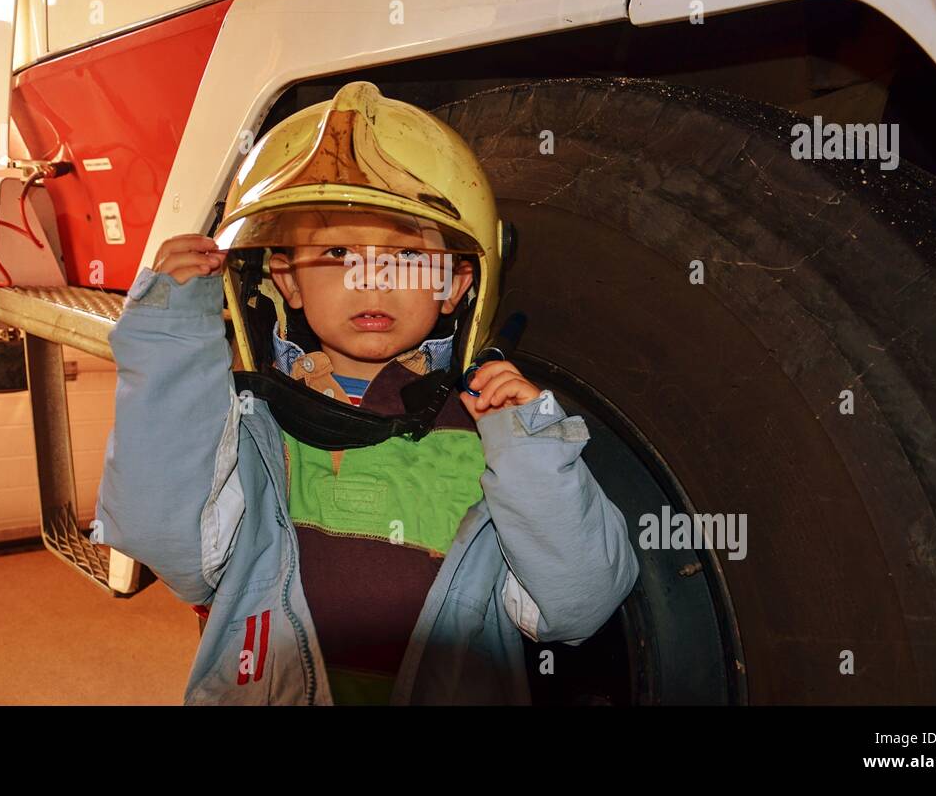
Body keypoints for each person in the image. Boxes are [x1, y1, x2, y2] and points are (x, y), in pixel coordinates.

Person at [94, 80, 639, 705]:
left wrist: (533, 453)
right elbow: (169, 544)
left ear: (457, 284)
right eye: (336, 250)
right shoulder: (246, 425)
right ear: (286, 280)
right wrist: (168, 346)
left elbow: (579, 606)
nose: (372, 279)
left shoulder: (492, 435)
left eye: (406, 255)